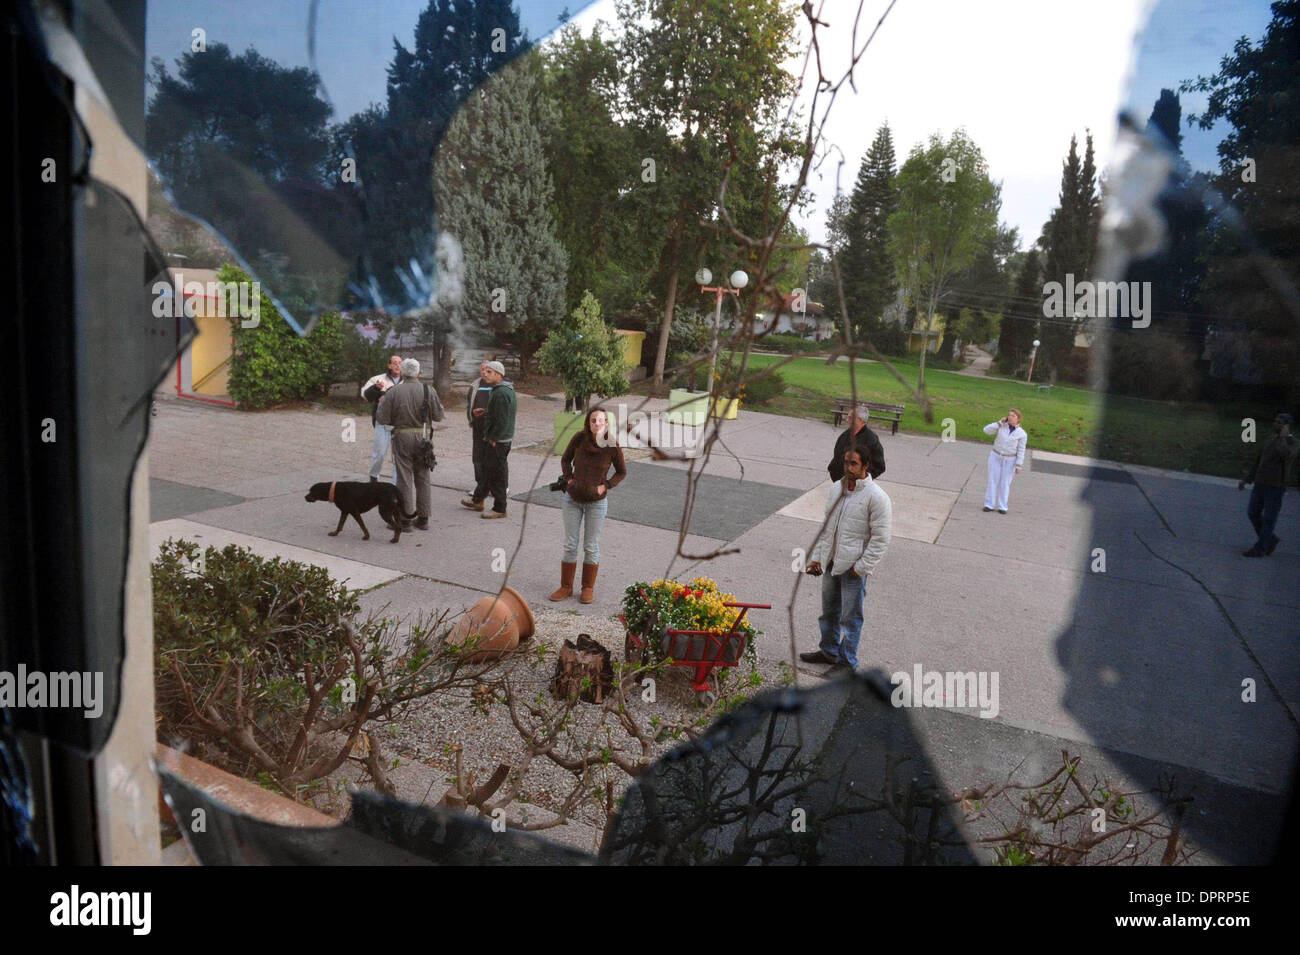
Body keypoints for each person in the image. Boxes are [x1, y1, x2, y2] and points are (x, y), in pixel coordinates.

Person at [800, 447, 892, 674]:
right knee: (828, 612)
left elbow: (881, 539)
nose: (849, 468)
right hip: (831, 563)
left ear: (865, 466)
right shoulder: (835, 489)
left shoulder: (877, 497)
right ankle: (829, 651)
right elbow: (827, 528)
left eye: (854, 464)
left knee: (851, 618)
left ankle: (847, 662)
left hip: (853, 568)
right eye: (846, 463)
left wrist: (861, 568)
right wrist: (817, 559)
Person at [550, 407, 627, 604]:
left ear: (606, 423)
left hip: (596, 504)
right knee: (570, 544)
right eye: (593, 420)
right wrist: (568, 479)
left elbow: (621, 472)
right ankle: (566, 587)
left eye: (601, 420)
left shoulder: (612, 445)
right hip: (572, 499)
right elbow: (566, 459)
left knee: (591, 546)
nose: (597, 424)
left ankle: (587, 588)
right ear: (588, 422)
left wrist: (607, 486)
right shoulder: (579, 438)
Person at [375, 358, 444, 531]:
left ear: (403, 373)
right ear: (419, 373)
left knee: (404, 478)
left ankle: (405, 519)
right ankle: (423, 518)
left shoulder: (393, 392)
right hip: (423, 438)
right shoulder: (429, 390)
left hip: (402, 437)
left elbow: (382, 418)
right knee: (423, 477)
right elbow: (438, 416)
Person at [461, 360, 515, 519]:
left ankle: (500, 508)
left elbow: (502, 419)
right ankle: (478, 500)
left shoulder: (501, 392)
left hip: (498, 440)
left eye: (490, 372)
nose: (486, 374)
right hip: (497, 438)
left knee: (496, 474)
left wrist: (493, 438)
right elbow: (497, 413)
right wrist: (485, 412)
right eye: (485, 371)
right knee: (487, 469)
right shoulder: (500, 390)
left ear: (499, 374)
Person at [1239, 412, 1298, 557]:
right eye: (1275, 421)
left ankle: (1261, 548)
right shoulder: (1270, 439)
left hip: (1276, 486)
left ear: (1287, 426)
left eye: (1280, 423)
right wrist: (1247, 479)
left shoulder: (1294, 443)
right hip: (1260, 483)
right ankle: (1270, 540)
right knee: (1252, 513)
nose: (1275, 424)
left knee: (1269, 519)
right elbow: (1259, 462)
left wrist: (1283, 438)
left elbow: (1285, 456)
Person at [362, 354, 403, 483]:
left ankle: (396, 484)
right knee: (379, 453)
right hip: (382, 423)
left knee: (398, 456)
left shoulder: (406, 381)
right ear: (389, 365)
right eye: (395, 363)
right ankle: (374, 477)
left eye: (400, 363)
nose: (397, 365)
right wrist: (376, 389)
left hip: (400, 424)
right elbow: (365, 395)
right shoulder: (378, 379)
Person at [982, 409, 1027, 513]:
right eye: (1009, 415)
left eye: (1013, 416)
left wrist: (1018, 465)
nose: (1010, 417)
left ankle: (1003, 506)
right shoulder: (1001, 426)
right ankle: (989, 504)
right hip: (996, 456)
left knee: (1005, 483)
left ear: (1018, 419)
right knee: (993, 480)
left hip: (1010, 459)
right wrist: (998, 423)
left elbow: (1021, 450)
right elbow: (986, 430)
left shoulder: (1022, 434)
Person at [829, 403, 886, 482]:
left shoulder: (872, 439)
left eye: (850, 418)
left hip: (858, 486)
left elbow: (879, 466)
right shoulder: (844, 435)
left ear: (860, 420)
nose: (847, 420)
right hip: (840, 483)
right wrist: (833, 472)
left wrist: (861, 479)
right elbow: (836, 457)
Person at [463, 361, 493, 505]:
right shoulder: (475, 385)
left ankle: (495, 487)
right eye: (482, 369)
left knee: (493, 459)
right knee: (477, 459)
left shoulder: (497, 386)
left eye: (487, 369)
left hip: (492, 430)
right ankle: (480, 487)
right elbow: (469, 404)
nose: (484, 372)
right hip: (477, 428)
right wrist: (471, 420)